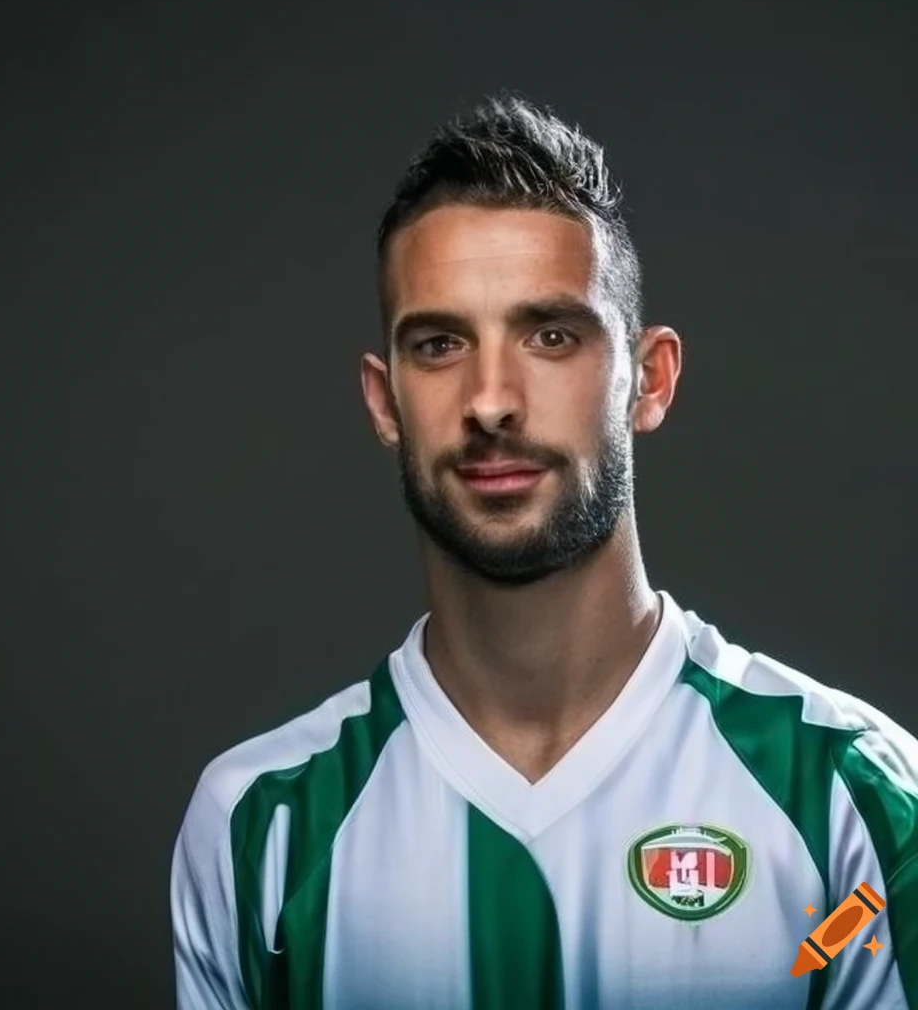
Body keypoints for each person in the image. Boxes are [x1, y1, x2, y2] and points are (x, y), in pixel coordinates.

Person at [170, 93, 918, 1010]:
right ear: (382, 401)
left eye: (552, 335)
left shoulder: (854, 802)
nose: (491, 401)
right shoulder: (262, 824)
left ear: (650, 379)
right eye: (441, 343)